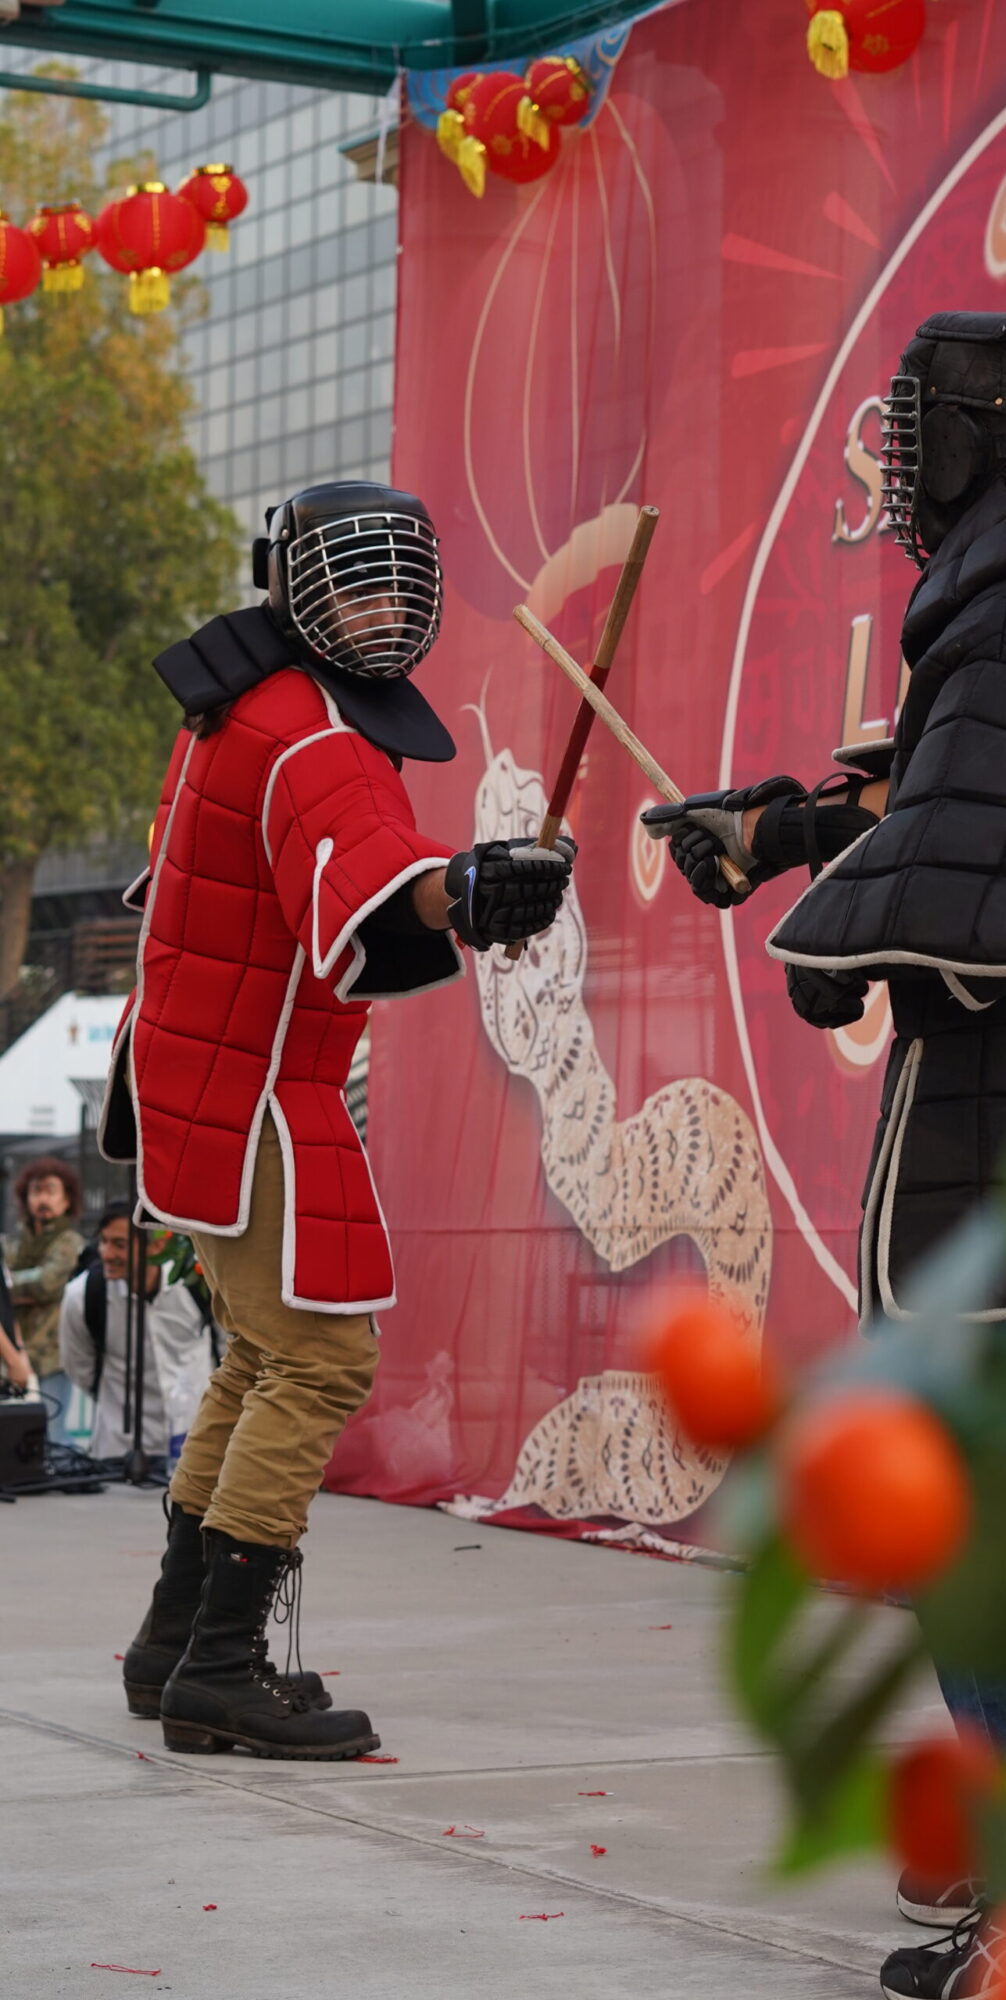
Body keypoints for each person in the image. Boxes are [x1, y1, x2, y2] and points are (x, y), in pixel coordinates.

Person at [644, 313, 1006, 1997]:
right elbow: (961, 796)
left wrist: (835, 934)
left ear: (990, 429)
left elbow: (992, 890)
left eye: (921, 423)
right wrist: (788, 826)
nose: (901, 459)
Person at [100, 480, 575, 1761]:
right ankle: (218, 1665)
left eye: (400, 587)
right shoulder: (309, 726)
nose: (382, 611)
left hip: (201, 1070)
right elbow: (369, 867)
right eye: (357, 585)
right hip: (254, 1082)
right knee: (319, 1361)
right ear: (293, 586)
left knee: (261, 1354)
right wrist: (462, 886)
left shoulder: (239, 701)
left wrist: (451, 886)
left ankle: (171, 1645)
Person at [58, 1201, 212, 1469]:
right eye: (103, 1241)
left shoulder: (195, 1283)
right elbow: (79, 1366)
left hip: (196, 1445)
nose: (106, 1254)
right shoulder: (82, 1296)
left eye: (120, 1244)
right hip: (119, 1451)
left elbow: (227, 1348)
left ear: (157, 1246)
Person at [3, 1158, 86, 1443]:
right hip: (15, 1352)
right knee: (17, 1434)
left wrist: (10, 1284)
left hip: (53, 1353)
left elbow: (47, 1283)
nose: (43, 1199)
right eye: (36, 1191)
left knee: (54, 1433)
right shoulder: (14, 1243)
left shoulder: (69, 1242)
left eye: (51, 1191)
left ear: (67, 1199)